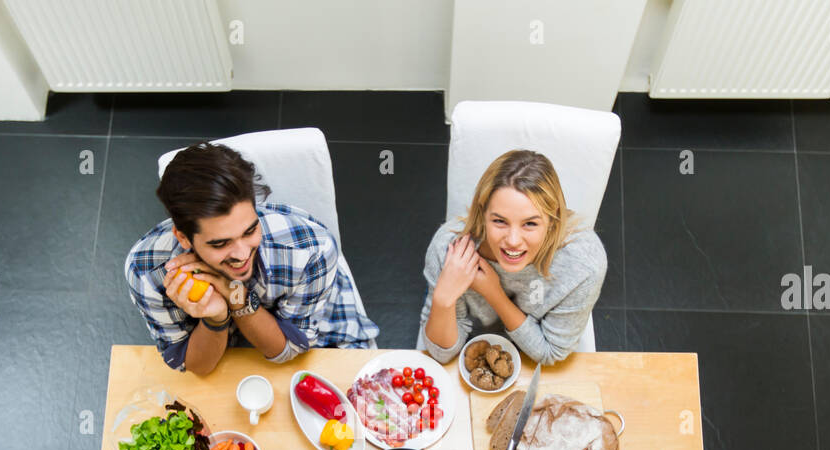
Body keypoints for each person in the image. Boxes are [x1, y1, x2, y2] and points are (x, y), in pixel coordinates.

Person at [125, 142, 379, 375]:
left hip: (305, 332)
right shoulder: (147, 272)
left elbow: (285, 350)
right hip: (227, 350)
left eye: (250, 231)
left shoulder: (311, 248)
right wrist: (215, 318)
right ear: (183, 238)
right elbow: (197, 367)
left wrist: (235, 295)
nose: (242, 254)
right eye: (220, 243)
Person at [419, 149, 606, 365]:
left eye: (530, 223)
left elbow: (550, 352)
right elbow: (441, 353)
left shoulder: (583, 263)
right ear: (483, 212)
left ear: (553, 219)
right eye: (499, 221)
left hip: (532, 362)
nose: (513, 241)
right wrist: (443, 299)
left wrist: (493, 293)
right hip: (469, 355)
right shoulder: (448, 248)